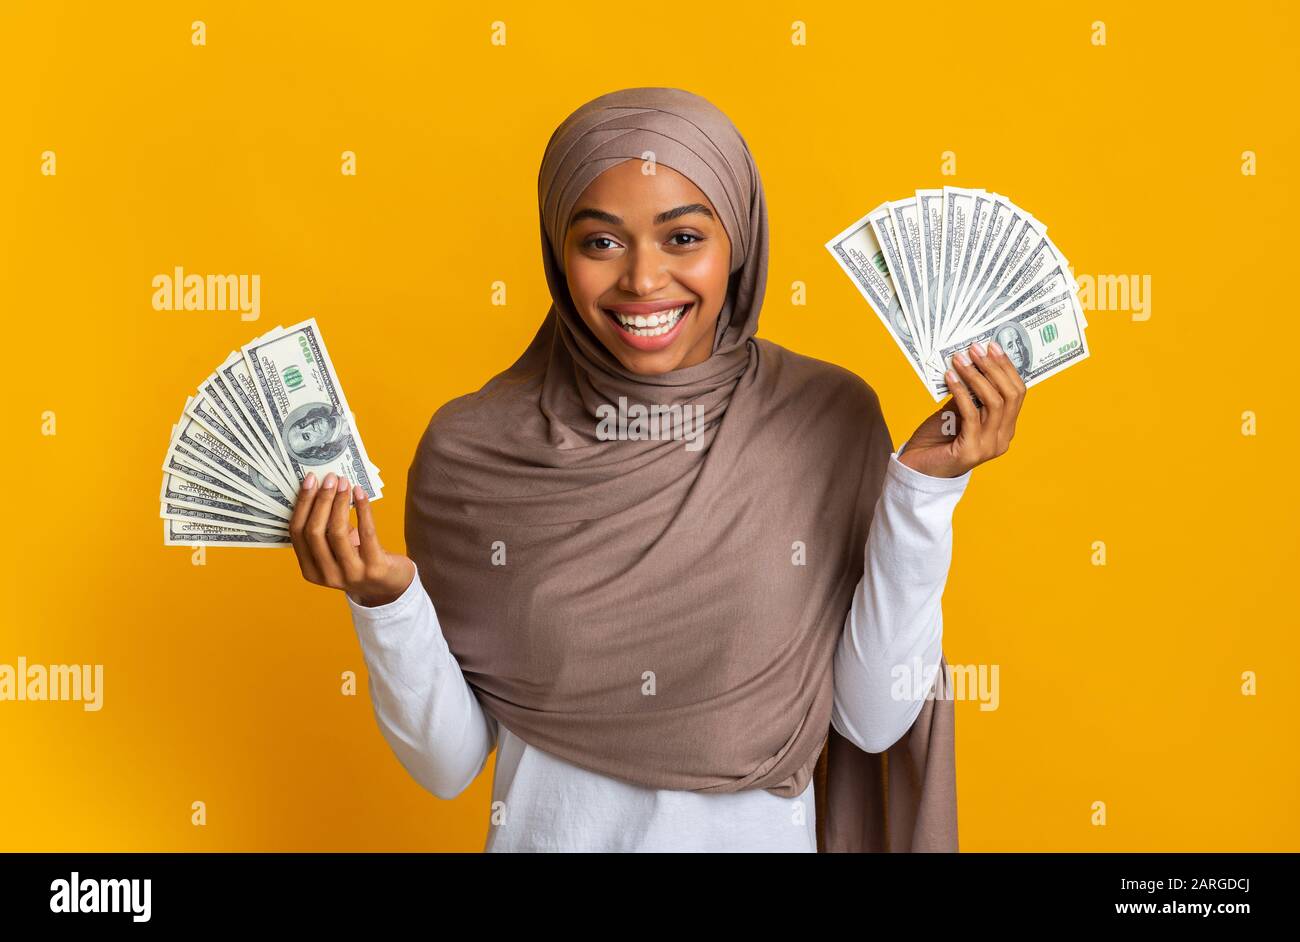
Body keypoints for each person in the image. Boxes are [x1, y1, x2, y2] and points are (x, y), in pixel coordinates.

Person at [288, 87, 1026, 852]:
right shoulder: (473, 451)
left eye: (682, 238)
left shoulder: (823, 419)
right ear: (556, 252)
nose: (643, 280)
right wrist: (385, 604)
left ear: (737, 239)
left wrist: (924, 493)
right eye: (601, 243)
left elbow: (872, 720)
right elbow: (448, 766)